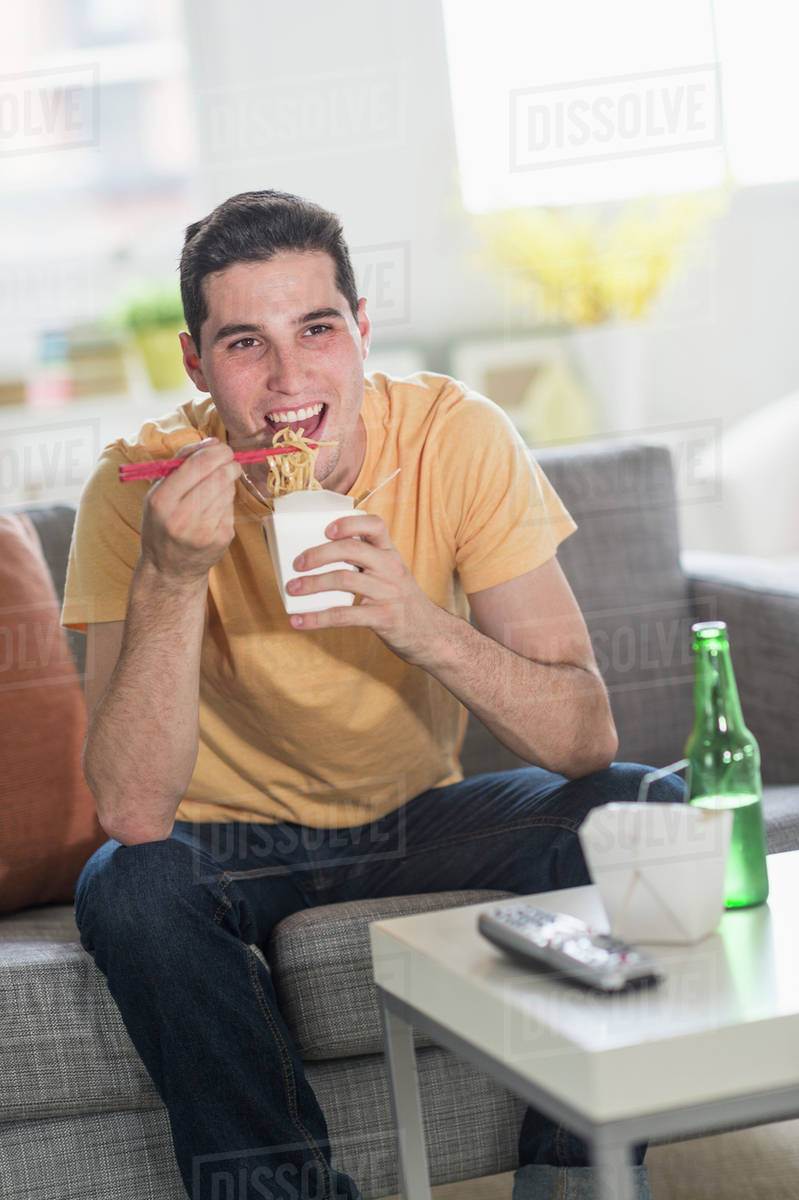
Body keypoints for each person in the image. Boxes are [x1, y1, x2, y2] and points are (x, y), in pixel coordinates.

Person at [63, 190, 682, 1200]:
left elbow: (582, 737)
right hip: (228, 845)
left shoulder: (455, 436)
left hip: (414, 821)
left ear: (360, 331)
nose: (288, 378)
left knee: (640, 809)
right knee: (128, 886)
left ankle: (572, 1181)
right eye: (244, 344)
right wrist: (172, 576)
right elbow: (132, 812)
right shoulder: (135, 489)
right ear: (194, 364)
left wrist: (416, 620)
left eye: (315, 330)